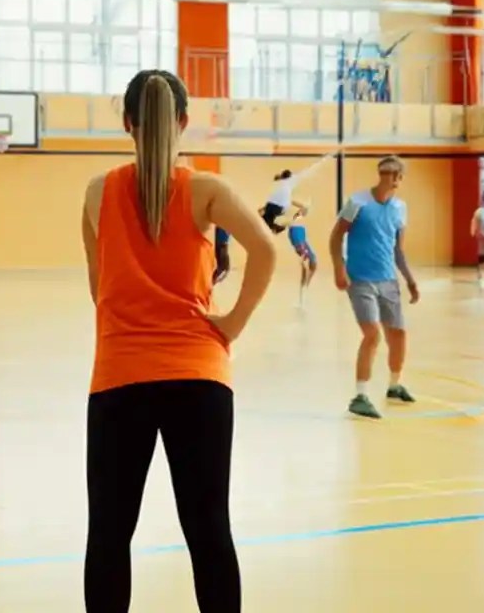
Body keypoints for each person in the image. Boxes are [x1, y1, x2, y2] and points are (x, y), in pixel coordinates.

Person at [80, 69, 276, 613]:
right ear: (184, 121)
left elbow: (99, 289)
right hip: (199, 377)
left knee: (109, 534)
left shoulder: (97, 192)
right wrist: (232, 323)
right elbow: (265, 250)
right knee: (208, 529)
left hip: (119, 376)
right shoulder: (207, 190)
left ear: (127, 122)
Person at [329, 155, 419, 420]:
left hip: (388, 279)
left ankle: (394, 385)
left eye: (395, 173)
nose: (391, 177)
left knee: (398, 333)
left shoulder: (400, 208)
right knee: (372, 334)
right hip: (360, 280)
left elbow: (398, 249)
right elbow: (336, 236)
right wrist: (338, 267)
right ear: (381, 174)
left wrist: (410, 279)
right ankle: (360, 396)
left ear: (400, 178)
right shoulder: (357, 202)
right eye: (386, 172)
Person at [287, 208, 318, 308]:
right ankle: (303, 295)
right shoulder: (294, 224)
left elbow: (301, 237)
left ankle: (305, 288)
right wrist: (302, 250)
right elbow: (295, 238)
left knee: (313, 263)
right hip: (300, 244)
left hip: (302, 243)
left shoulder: (299, 224)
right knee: (306, 266)